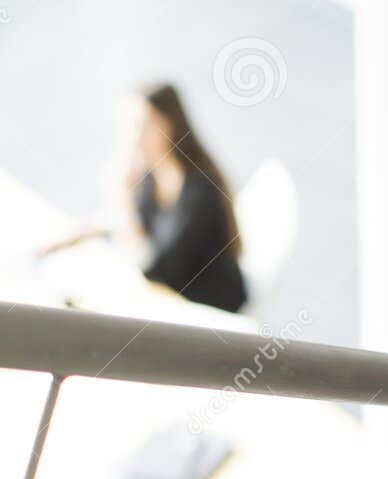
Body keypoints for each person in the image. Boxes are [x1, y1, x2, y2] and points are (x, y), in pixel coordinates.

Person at [42, 82, 248, 313]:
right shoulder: (149, 180)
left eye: (142, 125)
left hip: (211, 309)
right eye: (129, 127)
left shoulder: (201, 190)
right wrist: (82, 233)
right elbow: (138, 229)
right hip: (169, 301)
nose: (133, 138)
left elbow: (158, 271)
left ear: (169, 125)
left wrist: (123, 201)